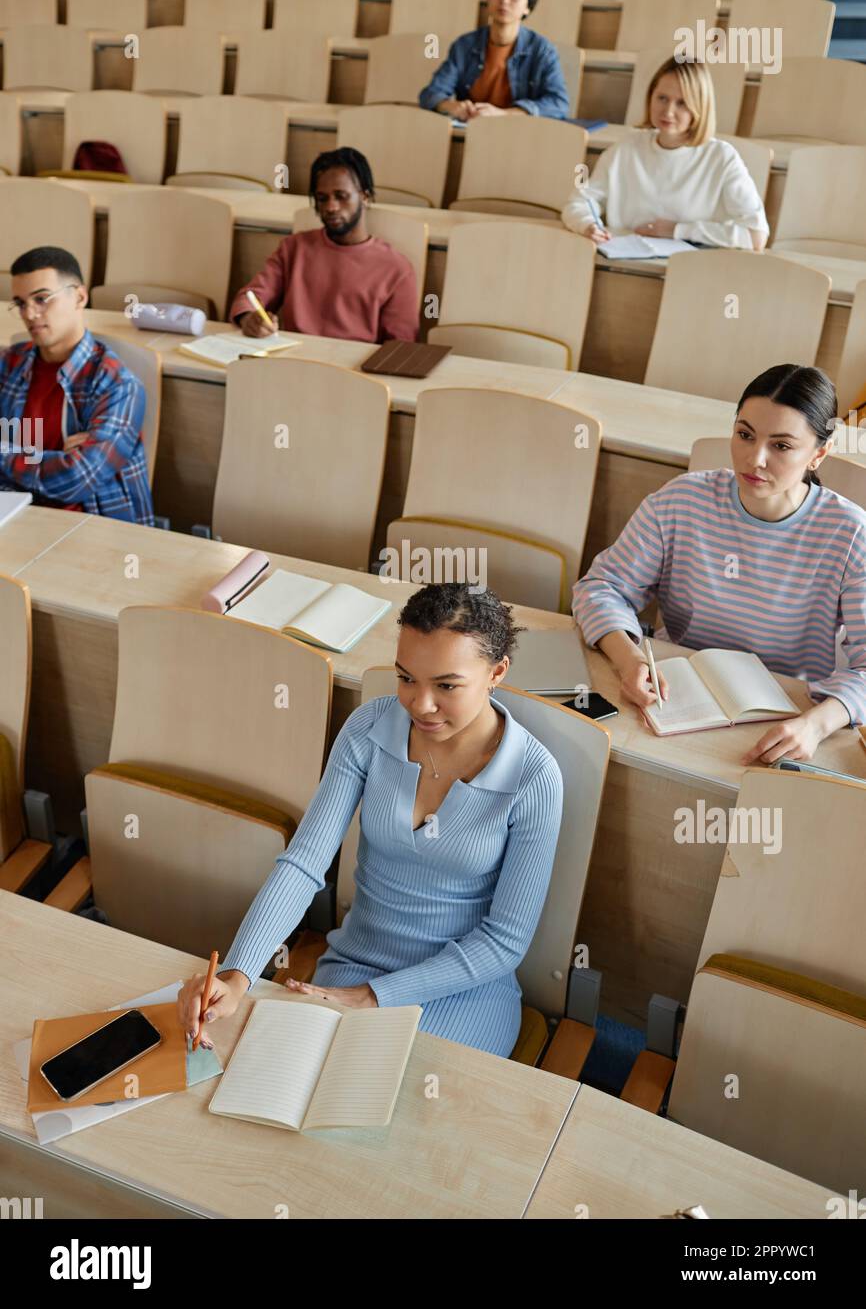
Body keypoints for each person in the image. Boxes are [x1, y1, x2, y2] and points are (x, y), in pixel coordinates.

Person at [178, 584, 564, 1058]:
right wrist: (239, 974)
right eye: (406, 678)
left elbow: (504, 942)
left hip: (464, 988)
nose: (420, 704)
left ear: (496, 672)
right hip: (354, 964)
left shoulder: (535, 778)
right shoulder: (368, 729)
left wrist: (376, 998)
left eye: (446, 686)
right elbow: (302, 865)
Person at [573, 364, 866, 761]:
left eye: (781, 446)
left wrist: (817, 724)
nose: (754, 459)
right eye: (745, 435)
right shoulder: (682, 500)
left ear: (818, 454)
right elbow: (600, 588)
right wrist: (629, 660)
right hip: (667, 698)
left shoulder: (850, 533)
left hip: (780, 718)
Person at [0, 246, 154, 524]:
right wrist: (54, 457)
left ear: (80, 297)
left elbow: (77, 479)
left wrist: (6, 454)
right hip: (17, 516)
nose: (30, 314)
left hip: (93, 527)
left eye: (42, 299)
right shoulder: (9, 364)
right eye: (21, 303)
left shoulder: (118, 384)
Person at [562, 57, 769, 249]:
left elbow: (756, 235)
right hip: (624, 264)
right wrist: (588, 225)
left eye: (682, 103)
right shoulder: (625, 149)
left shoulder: (721, 157)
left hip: (691, 271)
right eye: (662, 98)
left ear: (699, 107)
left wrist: (677, 230)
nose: (668, 111)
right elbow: (580, 202)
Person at [229, 148, 418, 344]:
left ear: (365, 196)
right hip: (293, 363)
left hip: (353, 371)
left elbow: (401, 346)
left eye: (341, 196)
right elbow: (250, 297)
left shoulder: (397, 269)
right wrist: (248, 318)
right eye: (322, 198)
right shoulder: (294, 248)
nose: (331, 207)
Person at [418, 0, 570, 122]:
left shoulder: (542, 50)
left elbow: (559, 104)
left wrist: (504, 114)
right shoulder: (464, 45)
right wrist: (451, 106)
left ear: (528, 7)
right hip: (471, 131)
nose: (504, 0)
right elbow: (430, 93)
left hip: (518, 134)